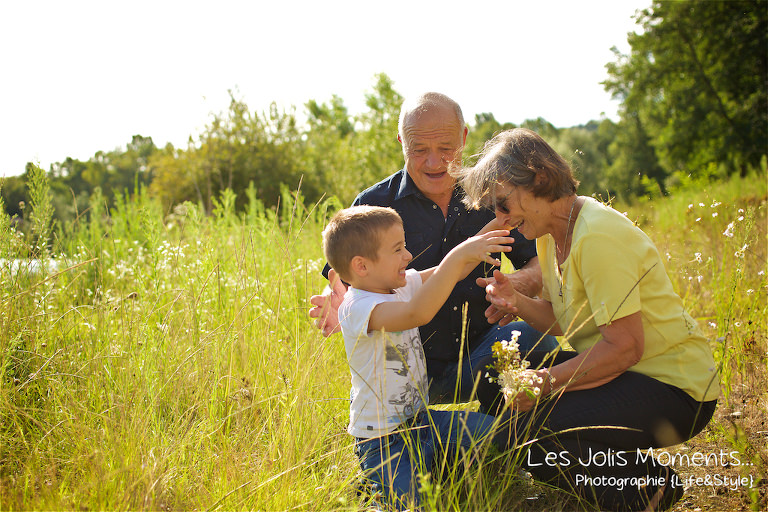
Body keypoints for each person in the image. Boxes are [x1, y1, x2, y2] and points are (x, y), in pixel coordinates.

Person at [451, 128, 720, 511]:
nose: (501, 218)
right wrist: (517, 301)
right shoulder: (551, 233)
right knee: (498, 383)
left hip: (676, 387)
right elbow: (570, 324)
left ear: (538, 177)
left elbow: (625, 347)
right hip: (630, 371)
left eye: (504, 204)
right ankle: (628, 472)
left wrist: (543, 383)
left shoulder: (596, 235)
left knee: (531, 433)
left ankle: (648, 491)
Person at [310, 92, 558, 404]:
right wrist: (336, 301)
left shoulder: (495, 194)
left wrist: (516, 289)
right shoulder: (371, 207)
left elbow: (537, 261)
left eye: (445, 149)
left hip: (482, 353)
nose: (433, 162)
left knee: (538, 341)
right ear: (401, 141)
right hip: (404, 378)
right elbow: (345, 285)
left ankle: (508, 423)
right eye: (419, 149)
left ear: (464, 137)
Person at [322, 205, 510, 510]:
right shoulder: (357, 307)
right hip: (383, 443)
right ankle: (377, 491)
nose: (408, 255)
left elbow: (453, 271)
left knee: (499, 435)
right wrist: (458, 256)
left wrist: (496, 226)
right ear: (361, 266)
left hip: (422, 423)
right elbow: (417, 313)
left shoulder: (396, 286)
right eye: (398, 249)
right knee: (414, 507)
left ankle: (434, 473)